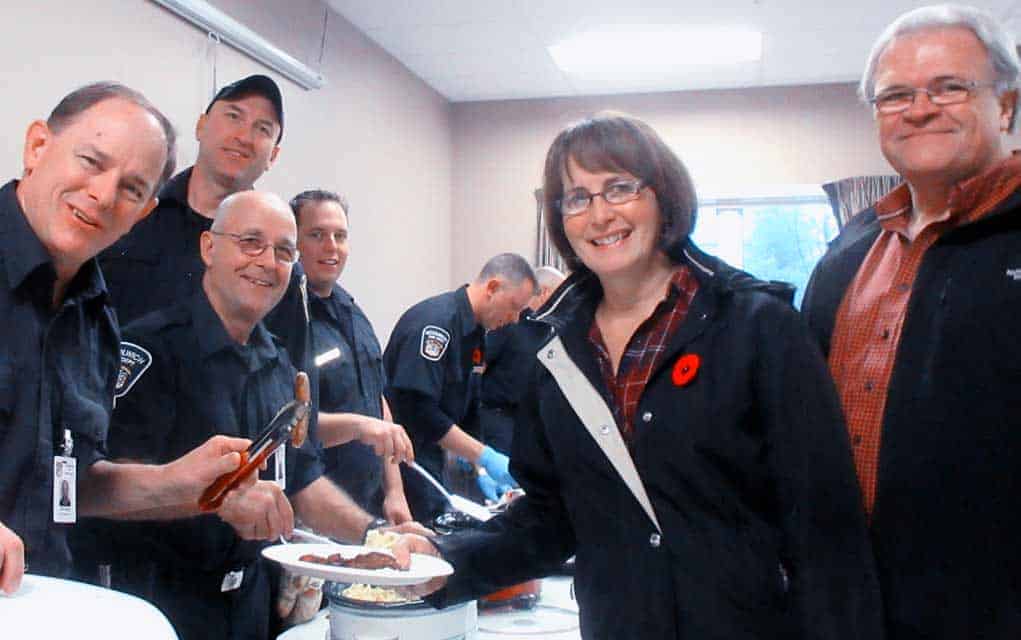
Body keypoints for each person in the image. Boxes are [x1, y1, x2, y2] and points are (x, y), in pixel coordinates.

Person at [393, 113, 882, 639]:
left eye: (619, 188)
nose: (600, 214)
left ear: (663, 194)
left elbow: (827, 529)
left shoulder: (757, 326)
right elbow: (550, 519)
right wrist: (447, 558)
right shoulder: (555, 352)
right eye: (577, 198)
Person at [101, 191, 415, 640]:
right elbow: (103, 486)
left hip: (250, 603)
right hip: (160, 604)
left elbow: (303, 482)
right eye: (251, 242)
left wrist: (378, 537)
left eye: (284, 251)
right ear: (209, 247)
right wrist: (217, 499)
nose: (268, 262)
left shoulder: (279, 364)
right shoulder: (152, 350)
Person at [801, 5, 1021, 638]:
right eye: (895, 95)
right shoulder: (848, 248)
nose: (919, 109)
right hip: (851, 604)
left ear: (1005, 106)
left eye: (950, 87)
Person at [0, 82, 254, 595]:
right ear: (38, 146)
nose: (103, 194)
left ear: (142, 214)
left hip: (39, 602)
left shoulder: (98, 324)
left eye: (132, 189)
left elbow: (73, 481)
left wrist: (180, 482)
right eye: (91, 161)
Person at [292, 189, 413, 523]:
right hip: (314, 512)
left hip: (367, 504)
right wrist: (359, 428)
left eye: (340, 236)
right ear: (294, 242)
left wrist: (395, 492)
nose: (331, 246)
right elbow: (289, 426)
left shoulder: (352, 312)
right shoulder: (285, 319)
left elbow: (377, 401)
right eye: (317, 235)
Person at [383, 254, 536, 521]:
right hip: (400, 461)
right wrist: (484, 455)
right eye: (514, 308)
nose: (515, 320)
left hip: (430, 457)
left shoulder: (475, 333)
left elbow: (469, 407)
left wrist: (481, 469)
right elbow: (419, 412)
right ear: (492, 288)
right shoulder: (436, 325)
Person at [474, 266, 565, 500]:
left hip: (527, 420)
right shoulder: (509, 322)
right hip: (498, 418)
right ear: (546, 292)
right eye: (560, 293)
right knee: (499, 488)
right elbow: (478, 368)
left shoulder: (550, 329)